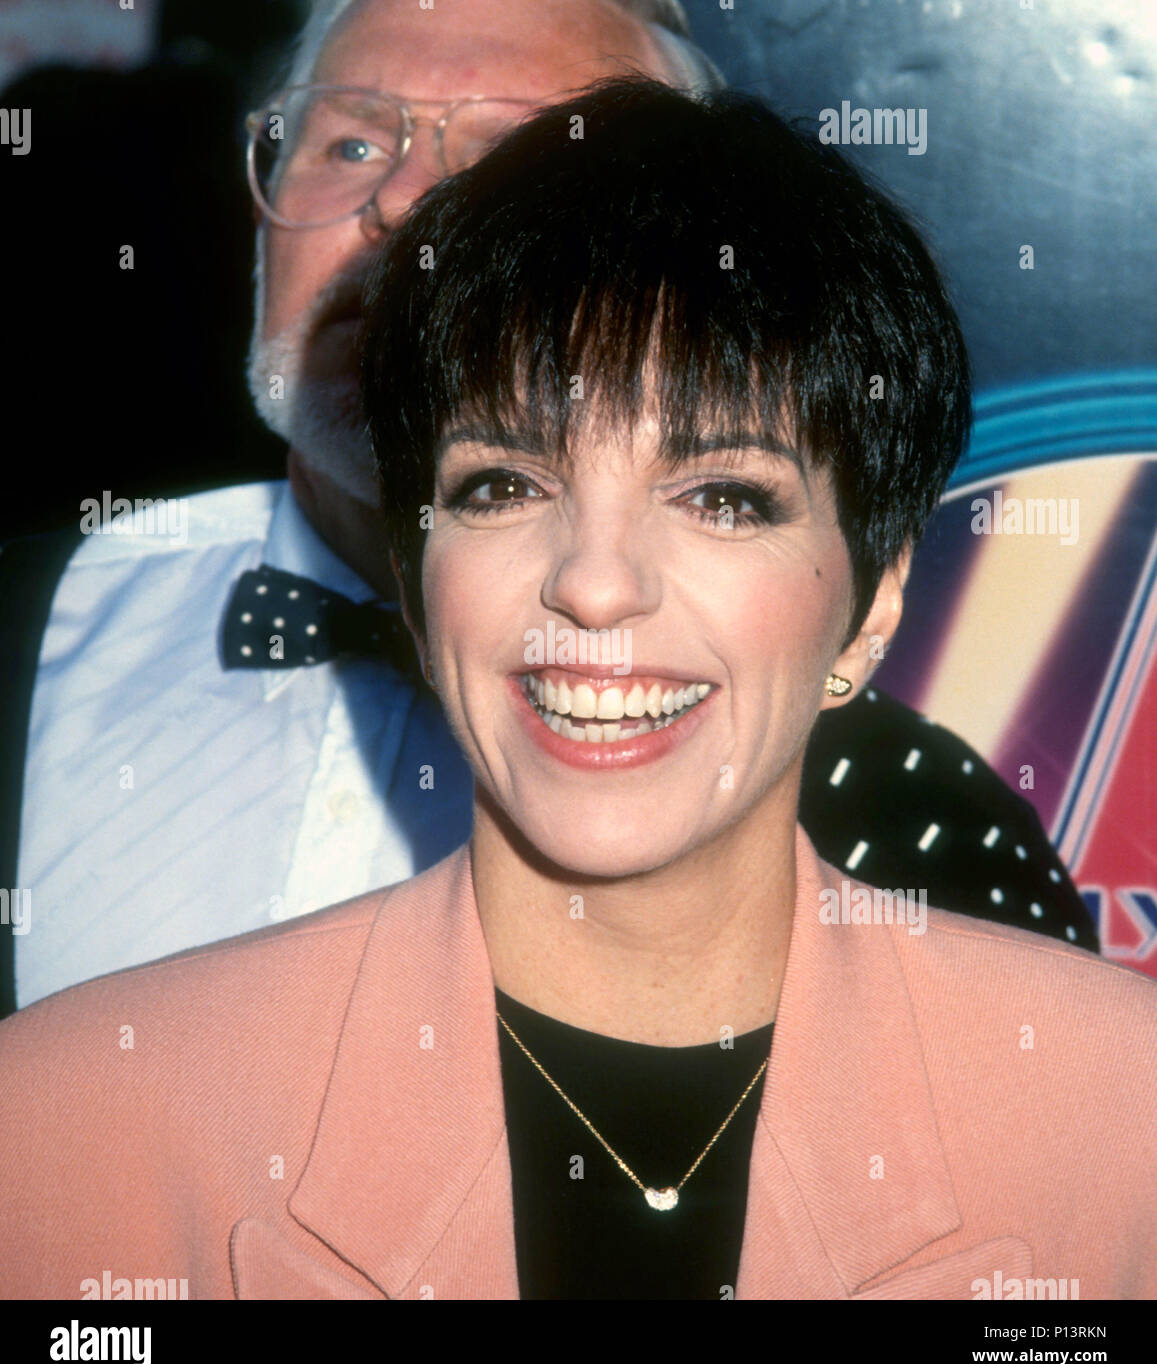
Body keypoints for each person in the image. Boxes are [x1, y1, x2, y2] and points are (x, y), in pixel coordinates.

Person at [2, 80, 1152, 1301]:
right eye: (503, 484)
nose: (594, 586)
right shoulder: (73, 1126)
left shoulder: (1118, 1121)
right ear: (414, 564)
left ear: (870, 605)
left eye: (722, 496)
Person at [3, 0, 1092, 1017]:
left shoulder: (901, 820)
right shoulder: (27, 622)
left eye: (510, 159)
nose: (401, 205)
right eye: (350, 143)